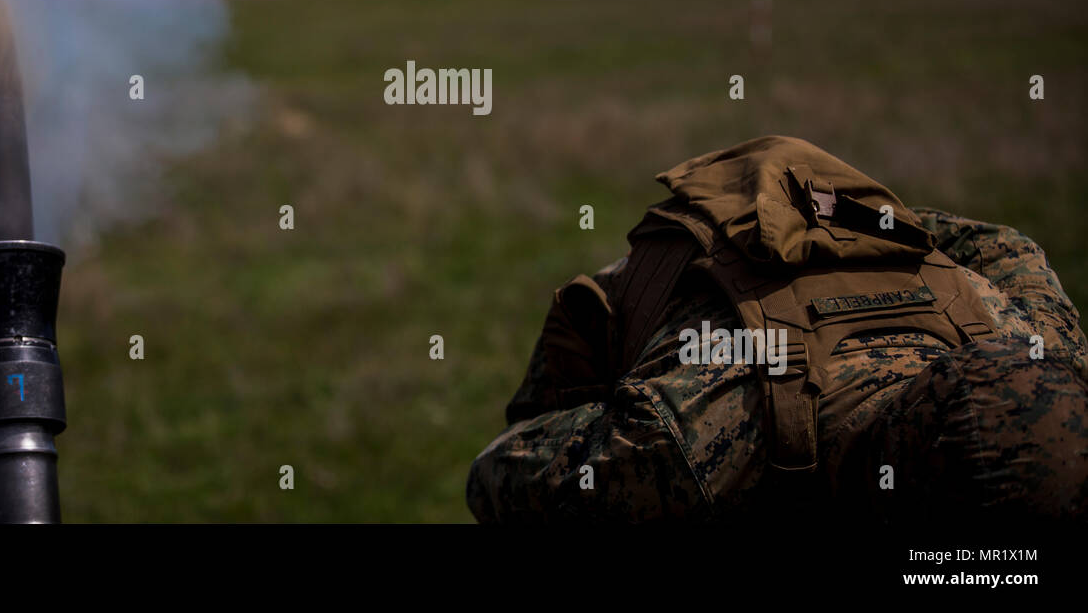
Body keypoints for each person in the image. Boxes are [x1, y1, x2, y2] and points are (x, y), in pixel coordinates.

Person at [466, 136, 1088, 522]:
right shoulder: (702, 437)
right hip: (679, 287)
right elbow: (500, 474)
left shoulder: (1037, 343)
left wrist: (851, 229)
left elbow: (1009, 247)